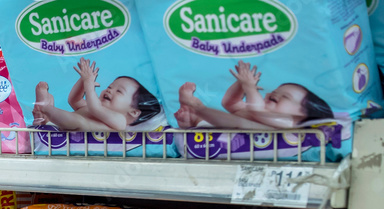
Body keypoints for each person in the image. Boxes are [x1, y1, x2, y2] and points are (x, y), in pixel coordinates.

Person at [175, 61, 333, 130]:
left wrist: (250, 88)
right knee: (199, 121)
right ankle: (191, 117)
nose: (275, 93)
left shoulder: (291, 122)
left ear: (305, 115)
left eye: (285, 97)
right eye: (275, 91)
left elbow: (258, 112)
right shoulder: (256, 108)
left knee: (240, 123)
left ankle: (195, 109)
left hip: (234, 132)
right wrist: (241, 84)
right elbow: (229, 103)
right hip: (214, 128)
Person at [31, 58, 161, 132]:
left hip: (73, 127)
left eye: (119, 91)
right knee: (51, 100)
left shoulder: (120, 121)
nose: (109, 90)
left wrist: (89, 83)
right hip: (58, 125)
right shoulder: (94, 106)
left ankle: (46, 109)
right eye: (110, 87)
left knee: (79, 121)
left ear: (133, 112)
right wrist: (83, 80)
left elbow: (95, 108)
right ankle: (44, 113)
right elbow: (74, 100)